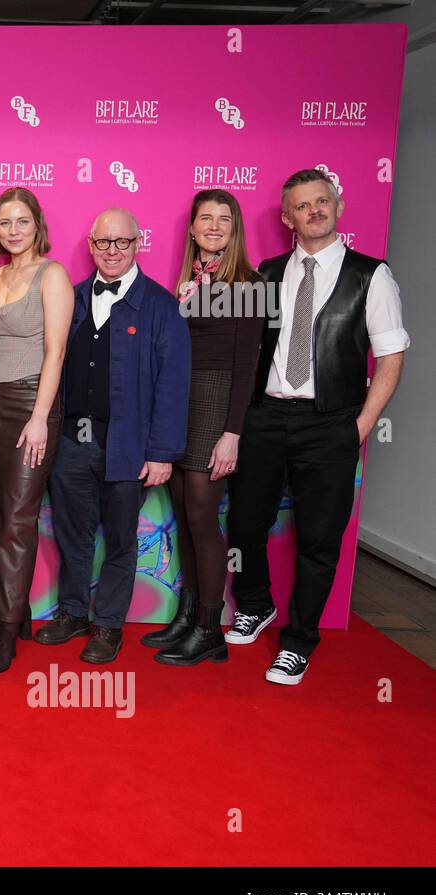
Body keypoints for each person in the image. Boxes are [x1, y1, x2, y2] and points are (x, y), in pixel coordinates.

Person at [225, 168, 408, 685]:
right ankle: (255, 605)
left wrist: (359, 428)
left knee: (319, 539)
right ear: (288, 218)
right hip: (265, 416)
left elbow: (391, 358)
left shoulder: (372, 275)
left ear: (338, 207)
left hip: (332, 422)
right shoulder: (268, 270)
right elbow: (234, 336)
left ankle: (299, 639)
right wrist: (192, 293)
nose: (316, 211)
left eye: (323, 201)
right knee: (244, 524)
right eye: (303, 206)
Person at [34, 208, 190, 664]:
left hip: (128, 446)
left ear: (138, 242)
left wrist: (161, 453)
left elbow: (173, 386)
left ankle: (108, 625)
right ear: (90, 245)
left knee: (120, 538)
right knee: (72, 534)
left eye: (122, 242)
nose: (113, 251)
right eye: (104, 243)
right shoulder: (74, 298)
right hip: (71, 444)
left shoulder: (162, 308)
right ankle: (73, 612)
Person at [145, 190, 262, 666]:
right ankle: (190, 614)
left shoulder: (248, 283)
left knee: (201, 515)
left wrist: (232, 431)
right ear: (192, 229)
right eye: (205, 219)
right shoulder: (187, 283)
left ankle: (210, 629)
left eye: (224, 219)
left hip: (217, 403)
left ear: (234, 230)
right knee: (182, 511)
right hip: (181, 403)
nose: (214, 226)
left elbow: (247, 366)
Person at [0, 188, 73, 674]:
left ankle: (8, 633)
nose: (13, 230)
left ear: (38, 225)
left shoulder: (52, 275)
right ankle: (10, 613)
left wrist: (39, 417)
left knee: (16, 520)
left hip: (29, 404)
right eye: (5, 222)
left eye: (22, 221)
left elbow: (56, 352)